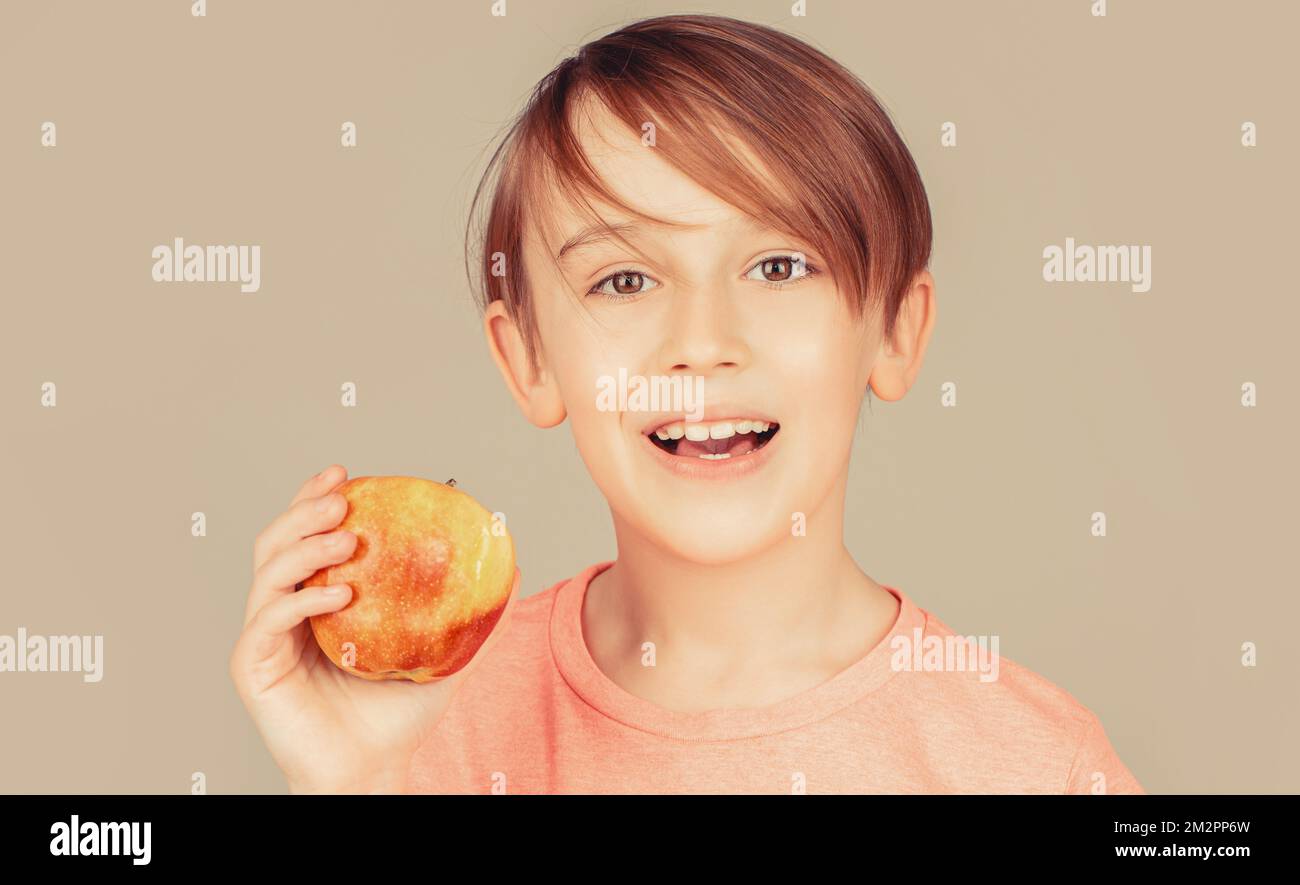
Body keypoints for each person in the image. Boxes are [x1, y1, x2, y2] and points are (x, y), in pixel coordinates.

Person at [230, 13, 1143, 794]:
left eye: (779, 266)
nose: (702, 341)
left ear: (897, 332)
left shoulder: (1036, 765)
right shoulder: (428, 732)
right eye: (624, 278)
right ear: (529, 360)